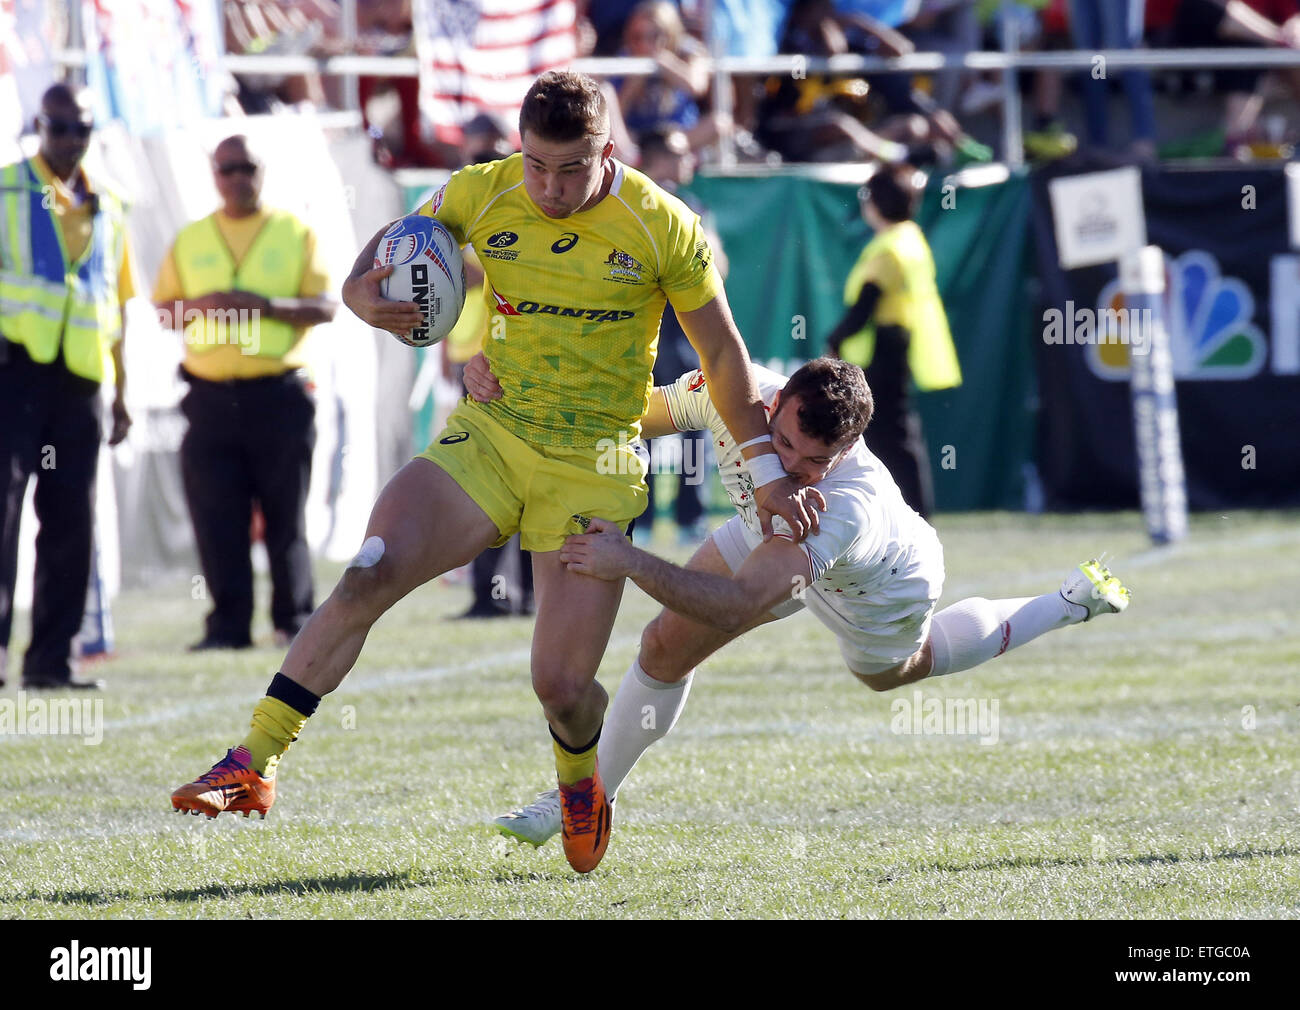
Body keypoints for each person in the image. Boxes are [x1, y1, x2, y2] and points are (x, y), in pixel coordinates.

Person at [169, 71, 818, 876]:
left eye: (571, 169)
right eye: (536, 165)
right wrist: (358, 293)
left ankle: (580, 782)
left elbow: (722, 356)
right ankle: (253, 764)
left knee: (559, 684)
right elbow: (399, 238)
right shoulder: (484, 188)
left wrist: (767, 475)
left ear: (606, 150)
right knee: (369, 572)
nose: (548, 187)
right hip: (492, 432)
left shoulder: (663, 225)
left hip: (594, 460)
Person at [480, 357, 1131, 851]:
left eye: (814, 460)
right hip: (769, 544)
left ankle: (1065, 603)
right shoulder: (731, 392)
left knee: (896, 672)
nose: (790, 469)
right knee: (660, 647)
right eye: (783, 443)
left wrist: (630, 560)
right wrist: (519, 396)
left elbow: (735, 605)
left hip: (877, 586)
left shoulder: (843, 506)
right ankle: (584, 799)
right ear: (776, 399)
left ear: (845, 451)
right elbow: (632, 415)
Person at [153, 135, 336, 651]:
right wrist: (203, 305)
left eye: (246, 167)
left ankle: (294, 621)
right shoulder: (191, 239)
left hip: (278, 395)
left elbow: (325, 307)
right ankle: (228, 627)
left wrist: (262, 305)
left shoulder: (293, 230)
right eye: (227, 168)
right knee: (216, 516)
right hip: (210, 397)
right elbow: (164, 311)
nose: (237, 177)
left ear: (261, 171)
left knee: (286, 514)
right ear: (214, 175)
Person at [0, 84, 134, 691]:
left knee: (70, 522)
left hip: (80, 380)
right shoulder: (6, 188)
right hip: (13, 372)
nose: (70, 141)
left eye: (81, 129)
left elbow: (116, 304)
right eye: (59, 128)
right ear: (38, 126)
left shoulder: (109, 204)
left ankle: (50, 662)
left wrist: (122, 392)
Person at [826, 164, 960, 519]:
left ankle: (912, 514)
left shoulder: (890, 246)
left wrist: (834, 340)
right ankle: (905, 514)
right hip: (892, 346)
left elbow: (865, 306)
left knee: (891, 440)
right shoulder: (910, 237)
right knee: (895, 439)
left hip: (881, 352)